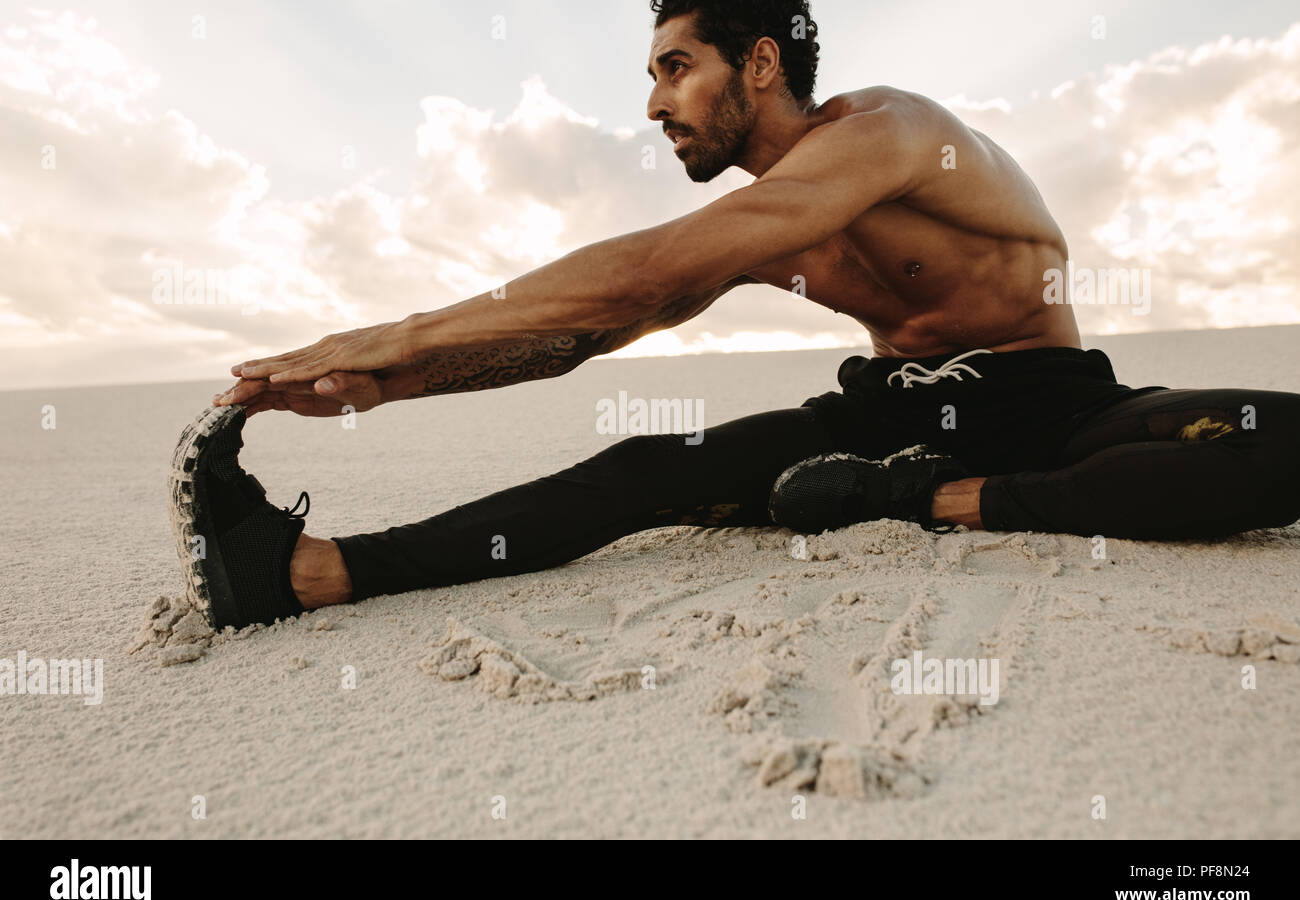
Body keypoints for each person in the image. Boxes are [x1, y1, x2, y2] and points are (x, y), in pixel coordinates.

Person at [175, 0, 1300, 629]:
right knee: (638, 469)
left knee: (1271, 438)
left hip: (1047, 408)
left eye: (676, 67)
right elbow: (592, 329)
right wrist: (391, 385)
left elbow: (640, 266)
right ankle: (308, 572)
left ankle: (933, 499)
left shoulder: (892, 133)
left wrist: (401, 331)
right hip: (881, 416)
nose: (655, 101)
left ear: (758, 65)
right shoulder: (773, 221)